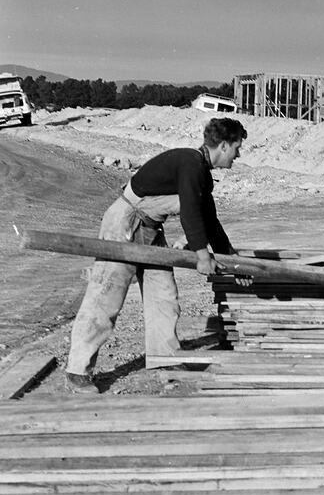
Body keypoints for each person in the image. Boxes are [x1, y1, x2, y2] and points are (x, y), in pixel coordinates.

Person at [63, 117, 247, 392]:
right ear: (223, 145)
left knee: (163, 295)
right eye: (237, 147)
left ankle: (165, 359)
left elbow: (209, 220)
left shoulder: (201, 175)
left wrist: (231, 259)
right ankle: (77, 371)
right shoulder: (191, 164)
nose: (238, 155)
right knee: (105, 298)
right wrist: (201, 255)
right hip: (125, 224)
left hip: (150, 228)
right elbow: (190, 213)